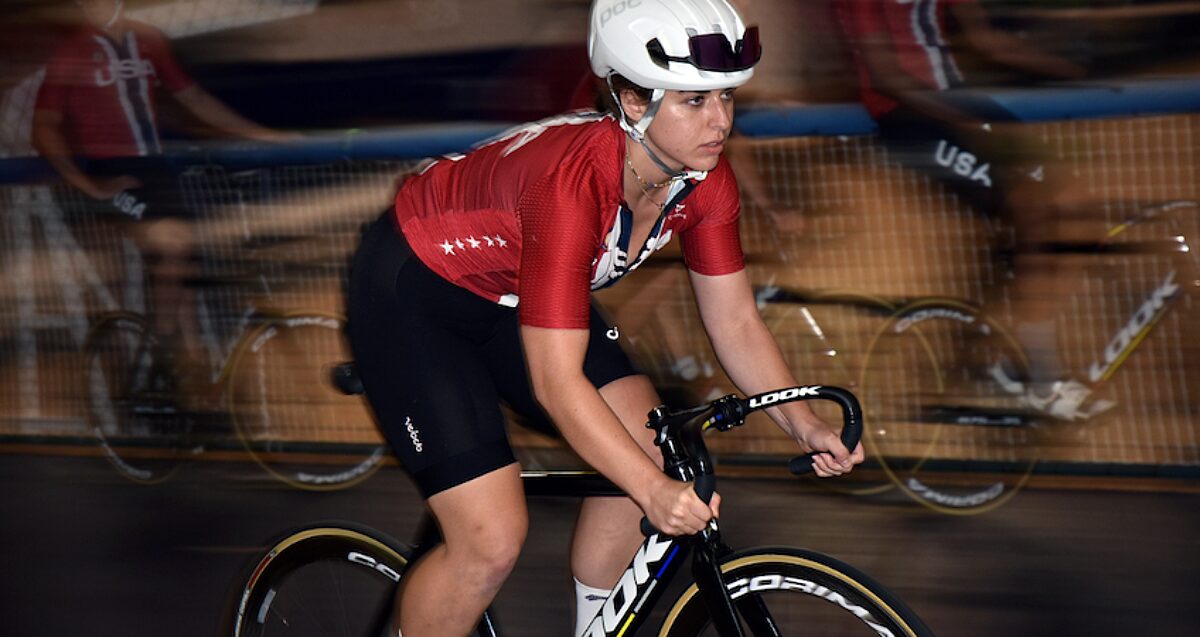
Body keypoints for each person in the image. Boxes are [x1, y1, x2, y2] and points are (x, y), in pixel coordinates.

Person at [345, 1, 864, 635]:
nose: (721, 120)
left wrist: (802, 422)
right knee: (490, 541)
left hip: (515, 293)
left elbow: (735, 323)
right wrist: (651, 492)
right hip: (417, 296)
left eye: (726, 96)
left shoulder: (704, 181)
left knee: (654, 452)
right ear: (634, 101)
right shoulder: (571, 187)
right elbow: (556, 382)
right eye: (695, 101)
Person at [833, 0, 1113, 421]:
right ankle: (1038, 374)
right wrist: (968, 122)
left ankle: (1001, 344)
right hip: (908, 118)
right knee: (1031, 208)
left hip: (957, 101)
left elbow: (985, 39)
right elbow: (887, 76)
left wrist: (1080, 71)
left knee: (1076, 207)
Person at [31, 0, 290, 394]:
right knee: (175, 243)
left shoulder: (148, 39)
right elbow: (43, 126)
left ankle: (193, 376)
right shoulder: (73, 50)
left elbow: (195, 100)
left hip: (155, 172)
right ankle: (166, 347)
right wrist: (87, 185)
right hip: (113, 175)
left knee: (188, 261)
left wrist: (266, 136)